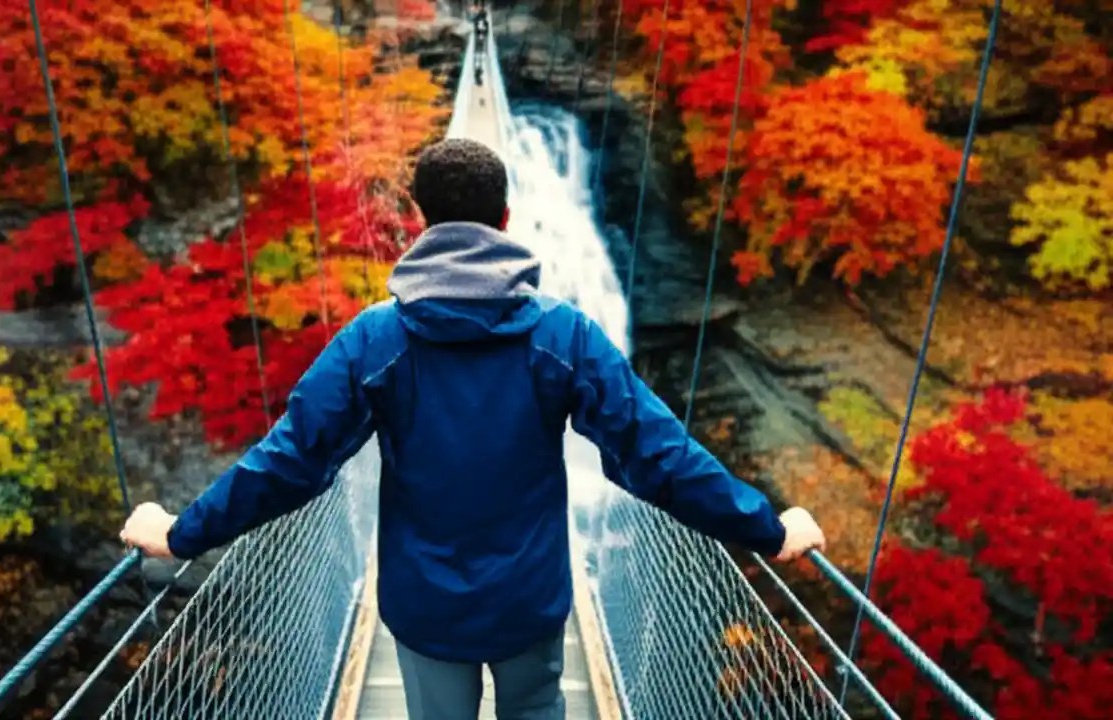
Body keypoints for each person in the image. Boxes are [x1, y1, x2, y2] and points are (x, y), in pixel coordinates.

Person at [120, 138, 826, 720]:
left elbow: (292, 460)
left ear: (420, 218)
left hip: (425, 603)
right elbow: (656, 453)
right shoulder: (563, 335)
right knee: (538, 705)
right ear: (508, 217)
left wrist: (182, 534)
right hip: (531, 596)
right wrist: (767, 529)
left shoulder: (375, 340)